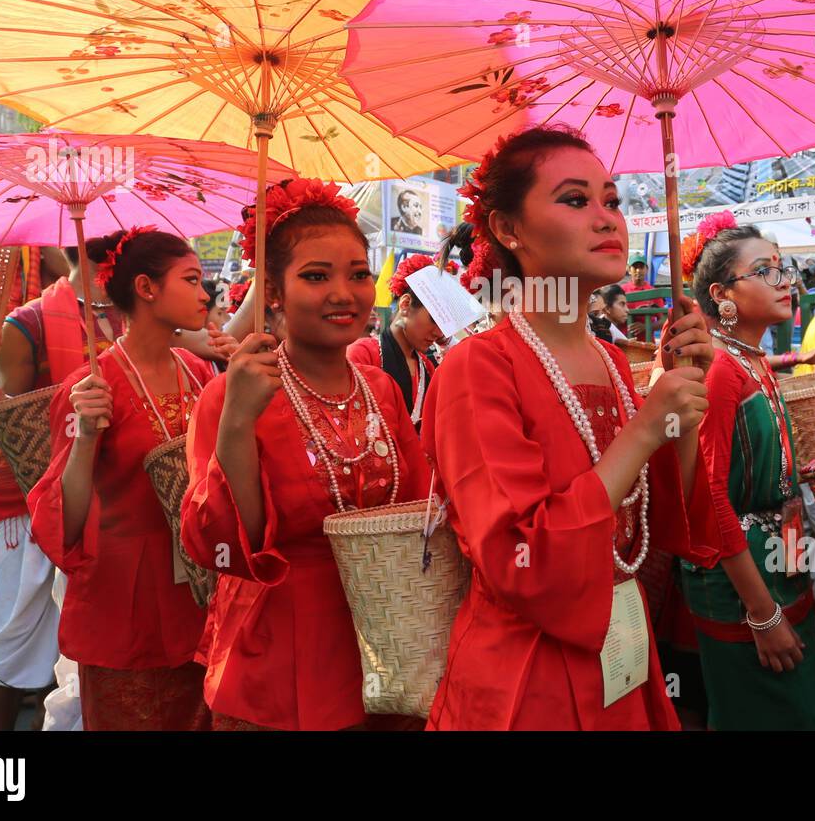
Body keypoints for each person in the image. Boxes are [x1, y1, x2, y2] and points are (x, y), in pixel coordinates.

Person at [422, 125, 729, 730]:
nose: (606, 218)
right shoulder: (478, 366)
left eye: (612, 201)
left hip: (624, 650)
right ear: (508, 230)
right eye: (574, 200)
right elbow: (520, 557)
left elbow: (669, 520)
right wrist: (643, 431)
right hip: (528, 676)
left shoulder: (615, 363)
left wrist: (685, 408)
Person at [183, 178, 431, 731]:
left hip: (392, 639)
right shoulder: (233, 394)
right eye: (316, 276)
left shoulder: (381, 389)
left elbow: (418, 512)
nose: (344, 293)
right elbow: (224, 543)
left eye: (358, 274)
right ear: (272, 291)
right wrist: (239, 419)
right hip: (281, 650)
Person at [28, 228, 216, 731]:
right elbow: (63, 524)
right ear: (146, 288)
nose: (206, 294)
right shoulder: (91, 385)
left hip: (199, 593)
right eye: (192, 280)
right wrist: (86, 437)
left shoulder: (201, 373)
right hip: (126, 600)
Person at [679, 211, 815, 730]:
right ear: (723, 296)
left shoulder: (748, 359)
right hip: (742, 584)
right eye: (766, 270)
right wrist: (762, 612)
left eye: (783, 267)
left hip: (776, 563)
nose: (786, 280)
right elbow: (708, 498)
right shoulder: (720, 369)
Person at [0, 241, 124, 731]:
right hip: (25, 501)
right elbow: (8, 423)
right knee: (14, 632)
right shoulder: (25, 323)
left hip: (110, 500)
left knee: (84, 635)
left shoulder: (138, 312)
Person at [347, 253, 442, 431]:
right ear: (405, 304)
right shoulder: (363, 353)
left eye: (443, 324)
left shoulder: (427, 367)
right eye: (434, 319)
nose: (438, 332)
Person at [621, 254, 666, 340]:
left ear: (646, 269)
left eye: (641, 267)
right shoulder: (621, 291)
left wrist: (646, 327)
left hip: (647, 344)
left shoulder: (654, 293)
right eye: (635, 267)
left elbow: (663, 320)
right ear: (629, 269)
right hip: (625, 341)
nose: (638, 270)